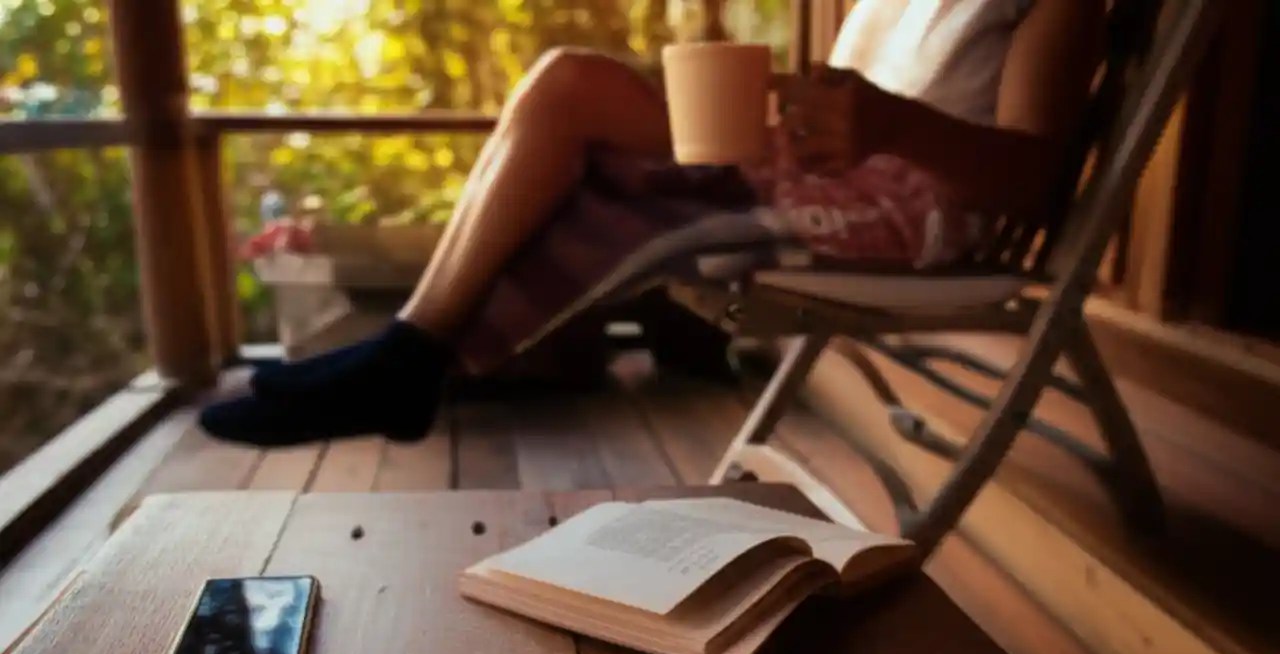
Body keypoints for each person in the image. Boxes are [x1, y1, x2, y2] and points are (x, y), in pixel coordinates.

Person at [200, 0, 1104, 446]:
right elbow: (847, 105)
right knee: (570, 86)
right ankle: (413, 353)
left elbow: (1027, 182)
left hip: (894, 214)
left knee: (577, 116)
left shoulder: (1049, 8)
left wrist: (891, 126)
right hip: (813, 164)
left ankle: (409, 358)